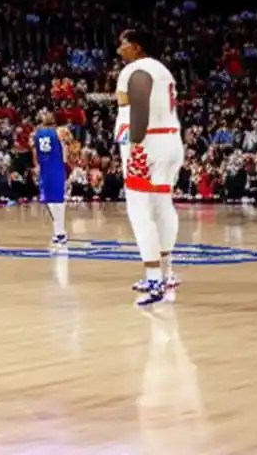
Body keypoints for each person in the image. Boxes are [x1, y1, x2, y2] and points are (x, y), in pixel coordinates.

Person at [115, 29, 184, 306]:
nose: (120, 49)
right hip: (169, 140)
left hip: (146, 144)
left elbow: (139, 105)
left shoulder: (138, 69)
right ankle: (166, 273)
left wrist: (135, 143)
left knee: (140, 211)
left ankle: (154, 279)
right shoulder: (164, 70)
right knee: (163, 206)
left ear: (136, 46)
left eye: (123, 44)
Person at [33, 111, 70, 246]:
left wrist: (37, 166)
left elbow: (35, 152)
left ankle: (58, 231)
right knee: (58, 201)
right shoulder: (59, 132)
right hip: (56, 168)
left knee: (50, 201)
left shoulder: (37, 134)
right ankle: (60, 232)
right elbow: (66, 149)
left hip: (45, 168)